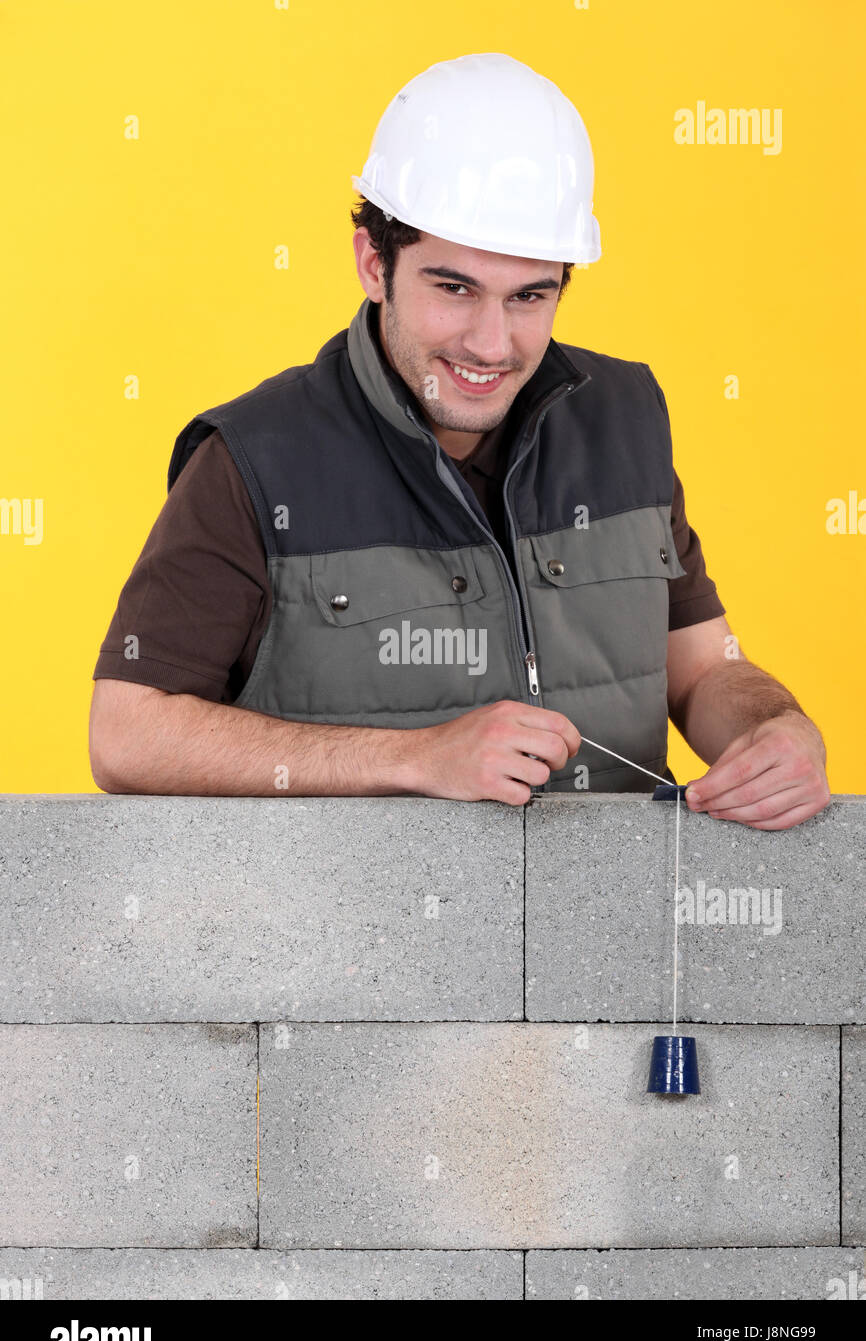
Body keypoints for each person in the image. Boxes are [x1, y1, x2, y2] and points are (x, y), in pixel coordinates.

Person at [89, 53, 830, 830]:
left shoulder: (625, 419)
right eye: (455, 288)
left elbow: (702, 670)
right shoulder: (254, 459)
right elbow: (126, 732)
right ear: (374, 263)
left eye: (529, 297)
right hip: (343, 941)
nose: (491, 343)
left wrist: (773, 728)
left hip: (617, 936)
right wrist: (412, 758)